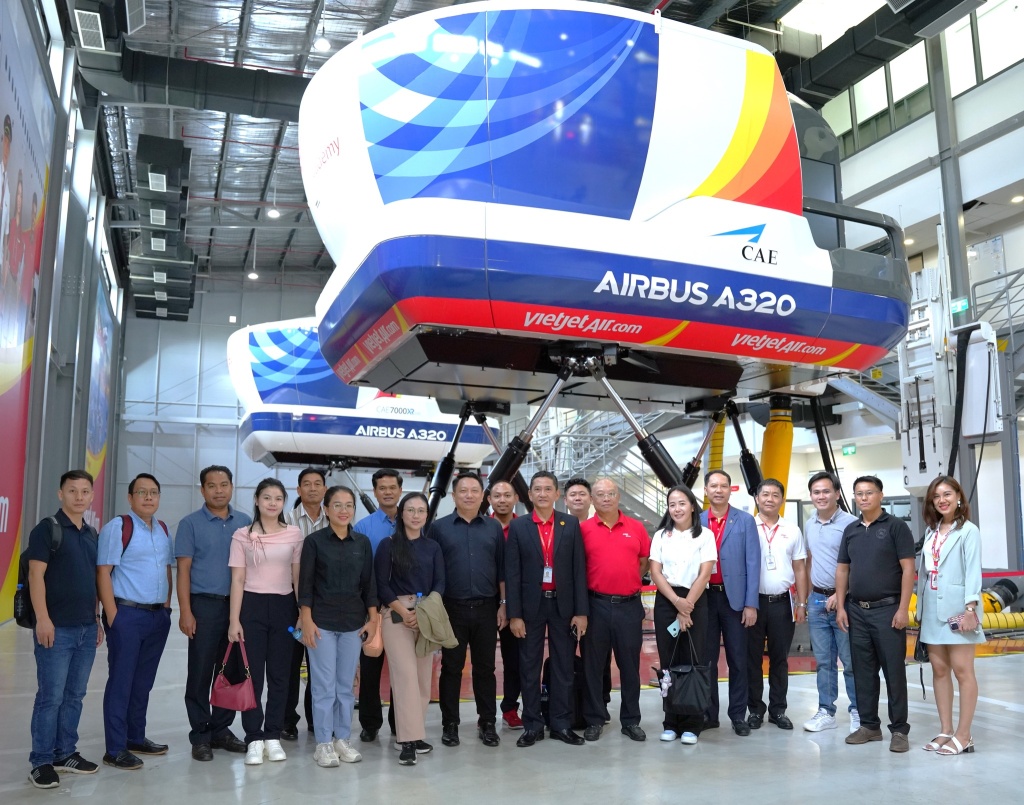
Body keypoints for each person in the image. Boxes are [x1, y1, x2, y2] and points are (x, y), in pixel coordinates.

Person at [26, 470, 102, 789]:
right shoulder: (47, 529)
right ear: (61, 494)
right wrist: (42, 619)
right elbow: (35, 576)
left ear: (91, 496)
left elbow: (93, 580)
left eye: (85, 491)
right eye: (72, 491)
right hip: (56, 629)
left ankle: (65, 753)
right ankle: (41, 761)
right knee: (51, 697)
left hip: (86, 627)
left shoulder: (92, 533)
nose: (79, 497)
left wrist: (96, 618)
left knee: (75, 695)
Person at [96, 473, 174, 770]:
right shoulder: (118, 527)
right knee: (122, 681)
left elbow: (167, 569)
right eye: (142, 492)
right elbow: (103, 572)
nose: (148, 497)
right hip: (127, 615)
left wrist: (166, 607)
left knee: (143, 682)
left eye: (153, 492)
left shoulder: (163, 529)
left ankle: (135, 737)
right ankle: (115, 749)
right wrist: (112, 615)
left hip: (157, 617)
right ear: (130, 497)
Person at [506, 471, 589, 748]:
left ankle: (561, 724)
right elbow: (513, 574)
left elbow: (579, 570)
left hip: (563, 606)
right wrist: (514, 614)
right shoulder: (519, 527)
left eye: (547, 489)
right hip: (531, 606)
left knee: (563, 666)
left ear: (557, 494)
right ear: (529, 494)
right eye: (537, 489)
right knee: (529, 667)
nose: (542, 494)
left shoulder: (570, 524)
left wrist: (581, 612)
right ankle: (532, 725)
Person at [174, 465, 251, 761]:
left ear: (232, 487)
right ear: (202, 489)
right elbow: (183, 571)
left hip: (237, 607)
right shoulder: (190, 524)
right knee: (201, 672)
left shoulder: (244, 522)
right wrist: (186, 611)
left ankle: (221, 730)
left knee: (230, 671)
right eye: (212, 485)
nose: (219, 490)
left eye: (224, 484)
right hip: (204, 606)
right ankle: (200, 735)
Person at [298, 485, 378, 767]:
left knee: (345, 687)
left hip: (353, 624)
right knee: (323, 687)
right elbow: (305, 585)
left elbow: (369, 585)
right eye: (337, 505)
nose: (344, 511)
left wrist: (373, 619)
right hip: (321, 624)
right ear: (327, 509)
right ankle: (323, 743)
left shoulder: (362, 543)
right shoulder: (314, 542)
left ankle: (342, 738)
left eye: (349, 505)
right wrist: (307, 620)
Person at [228, 478, 304, 766]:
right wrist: (234, 620)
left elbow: (297, 577)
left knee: (280, 675)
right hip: (252, 607)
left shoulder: (294, 534)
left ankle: (273, 735)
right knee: (252, 676)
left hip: (284, 607)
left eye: (278, 498)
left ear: (284, 503)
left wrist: (301, 612)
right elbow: (237, 579)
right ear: (257, 500)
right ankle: (254, 738)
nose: (273, 503)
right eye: (267, 497)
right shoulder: (242, 535)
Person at [836, 475, 915, 754]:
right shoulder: (851, 530)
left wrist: (903, 609)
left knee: (894, 672)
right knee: (863, 671)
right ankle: (869, 726)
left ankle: (900, 730)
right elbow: (843, 569)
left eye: (869, 492)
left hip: (888, 611)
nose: (864, 497)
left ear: (881, 495)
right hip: (857, 611)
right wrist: (842, 606)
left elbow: (908, 569)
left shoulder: (896, 527)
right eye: (859, 493)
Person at [431, 472, 506, 748]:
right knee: (451, 668)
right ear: (453, 496)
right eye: (463, 490)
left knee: (486, 669)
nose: (469, 495)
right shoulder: (438, 528)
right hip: (452, 609)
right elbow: (433, 570)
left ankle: (487, 722)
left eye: (475, 490)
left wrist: (503, 604)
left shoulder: (493, 527)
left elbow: (502, 570)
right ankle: (450, 724)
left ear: (482, 495)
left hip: (487, 609)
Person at [374, 492, 445, 766]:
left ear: (427, 515)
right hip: (396, 615)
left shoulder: (433, 547)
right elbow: (381, 585)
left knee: (423, 679)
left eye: (421, 510)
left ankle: (414, 734)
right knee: (404, 677)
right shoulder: (388, 545)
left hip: (426, 613)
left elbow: (440, 582)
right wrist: (404, 612)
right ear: (401, 514)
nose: (416, 515)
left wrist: (423, 612)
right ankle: (407, 740)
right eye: (410, 510)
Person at [916, 475, 985, 756]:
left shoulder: (968, 530)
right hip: (932, 608)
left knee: (962, 671)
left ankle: (964, 735)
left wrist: (970, 609)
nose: (942, 500)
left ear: (958, 497)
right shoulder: (931, 531)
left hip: (958, 609)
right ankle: (946, 730)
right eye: (936, 496)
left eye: (947, 494)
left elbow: (973, 571)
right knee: (940, 670)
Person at [579, 478, 650, 742]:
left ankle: (631, 721)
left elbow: (644, 561)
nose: (606, 498)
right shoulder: (583, 530)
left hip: (629, 606)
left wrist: (626, 582)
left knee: (630, 666)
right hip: (594, 605)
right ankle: (595, 719)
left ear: (618, 496)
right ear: (592, 500)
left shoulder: (636, 527)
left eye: (610, 493)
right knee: (593, 666)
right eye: (600, 494)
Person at [649, 484, 717, 745]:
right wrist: (677, 603)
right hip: (668, 600)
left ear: (692, 506)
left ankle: (693, 723)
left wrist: (687, 605)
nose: (677, 509)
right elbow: (656, 572)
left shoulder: (705, 535)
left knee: (693, 660)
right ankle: (670, 721)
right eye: (672, 504)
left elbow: (705, 573)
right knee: (668, 661)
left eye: (682, 503)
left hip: (696, 599)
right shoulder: (660, 536)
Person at [700, 469, 759, 736]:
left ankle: (737, 715)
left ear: (730, 489)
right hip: (704, 599)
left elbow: (753, 563)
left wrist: (751, 604)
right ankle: (709, 714)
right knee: (707, 659)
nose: (718, 490)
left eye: (723, 486)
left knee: (738, 659)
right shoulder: (697, 520)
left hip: (735, 600)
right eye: (713, 486)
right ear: (706, 490)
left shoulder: (745, 521)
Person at [746, 479, 808, 731]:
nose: (769, 499)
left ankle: (778, 710)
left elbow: (800, 568)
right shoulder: (748, 527)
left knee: (780, 659)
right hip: (752, 604)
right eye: (765, 494)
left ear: (782, 499)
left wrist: (801, 603)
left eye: (775, 495)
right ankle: (755, 709)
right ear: (757, 498)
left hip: (782, 603)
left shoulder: (792, 530)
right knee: (751, 659)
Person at [803, 471, 859, 733]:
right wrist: (805, 598)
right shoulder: (809, 524)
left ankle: (859, 711)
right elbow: (810, 560)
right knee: (824, 662)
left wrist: (841, 594)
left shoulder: (851, 524)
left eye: (826, 491)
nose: (821, 496)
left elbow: (858, 564)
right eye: (816, 492)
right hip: (816, 601)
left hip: (844, 602)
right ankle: (826, 711)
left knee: (850, 661)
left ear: (837, 493)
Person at [354, 468, 402, 743]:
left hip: (404, 607)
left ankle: (400, 722)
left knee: (401, 668)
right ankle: (370, 723)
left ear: (400, 490)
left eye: (392, 487)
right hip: (372, 607)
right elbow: (360, 571)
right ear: (374, 492)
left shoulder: (413, 522)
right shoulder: (363, 527)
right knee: (370, 666)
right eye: (382, 488)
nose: (387, 492)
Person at [283, 467, 328, 740]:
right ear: (298, 490)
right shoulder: (285, 521)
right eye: (307, 484)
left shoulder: (334, 520)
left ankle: (316, 719)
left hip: (323, 602)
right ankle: (287, 720)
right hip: (289, 601)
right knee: (288, 664)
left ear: (325, 489)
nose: (312, 488)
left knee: (319, 666)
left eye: (317, 483)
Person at [489, 480, 523, 729]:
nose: (502, 500)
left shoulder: (524, 527)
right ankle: (485, 714)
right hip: (484, 602)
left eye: (507, 495)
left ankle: (510, 708)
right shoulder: (481, 527)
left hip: (517, 604)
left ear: (516, 498)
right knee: (484, 662)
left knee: (515, 660)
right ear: (489, 499)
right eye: (497, 495)